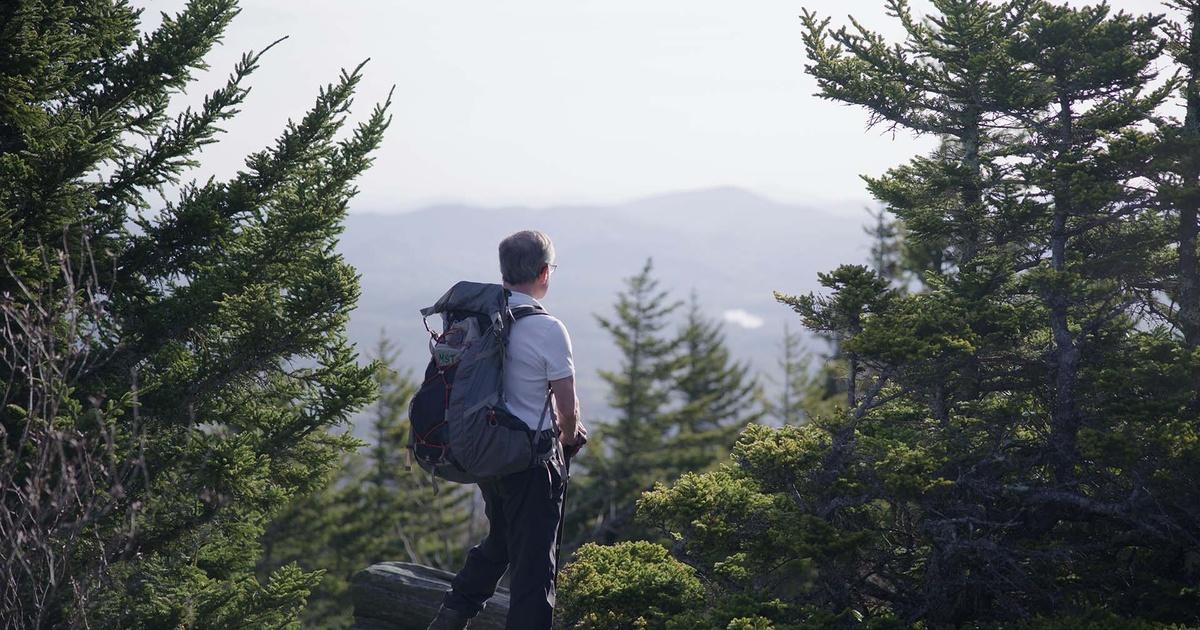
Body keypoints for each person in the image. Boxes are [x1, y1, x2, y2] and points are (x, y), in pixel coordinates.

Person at [428, 230, 587, 630]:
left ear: (504, 272)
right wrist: (569, 440)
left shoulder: (481, 316)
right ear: (544, 272)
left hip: (488, 452)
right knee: (534, 571)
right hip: (530, 465)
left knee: (501, 541)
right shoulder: (549, 329)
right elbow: (567, 410)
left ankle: (453, 614)